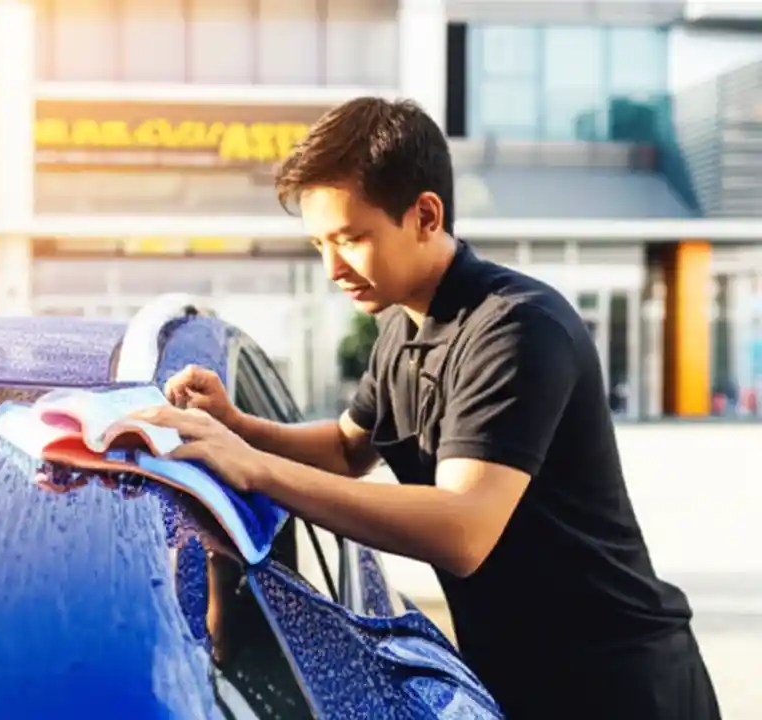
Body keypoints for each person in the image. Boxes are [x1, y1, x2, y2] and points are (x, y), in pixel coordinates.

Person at [133, 97, 720, 719]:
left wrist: (255, 470)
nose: (332, 267)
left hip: (620, 684)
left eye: (351, 238)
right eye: (319, 243)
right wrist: (237, 427)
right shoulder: (402, 332)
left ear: (426, 215)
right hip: (519, 679)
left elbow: (463, 528)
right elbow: (346, 449)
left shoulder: (516, 328)